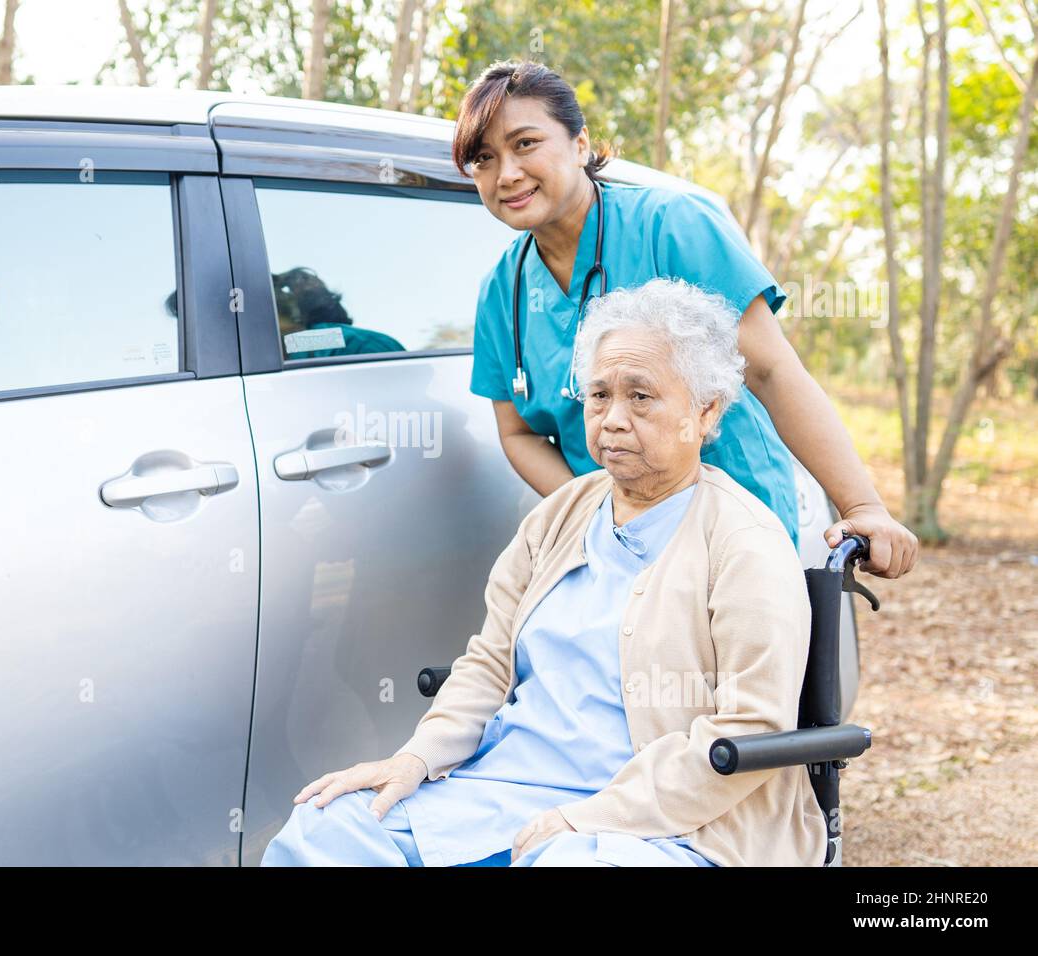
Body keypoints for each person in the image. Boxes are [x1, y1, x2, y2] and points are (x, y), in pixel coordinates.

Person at [260, 278, 828, 867]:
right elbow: (489, 661)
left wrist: (586, 820)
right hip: (508, 791)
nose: (611, 419)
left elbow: (751, 727)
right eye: (600, 395)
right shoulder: (560, 515)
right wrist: (417, 757)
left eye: (641, 397)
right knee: (327, 827)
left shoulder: (743, 542)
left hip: (671, 824)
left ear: (706, 409)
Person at [459, 59, 917, 578]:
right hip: (617, 546)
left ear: (580, 144)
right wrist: (596, 512)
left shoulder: (673, 227)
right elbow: (517, 432)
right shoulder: (502, 289)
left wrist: (862, 507)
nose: (507, 174)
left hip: (732, 531)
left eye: (525, 143)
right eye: (483, 158)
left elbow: (772, 371)